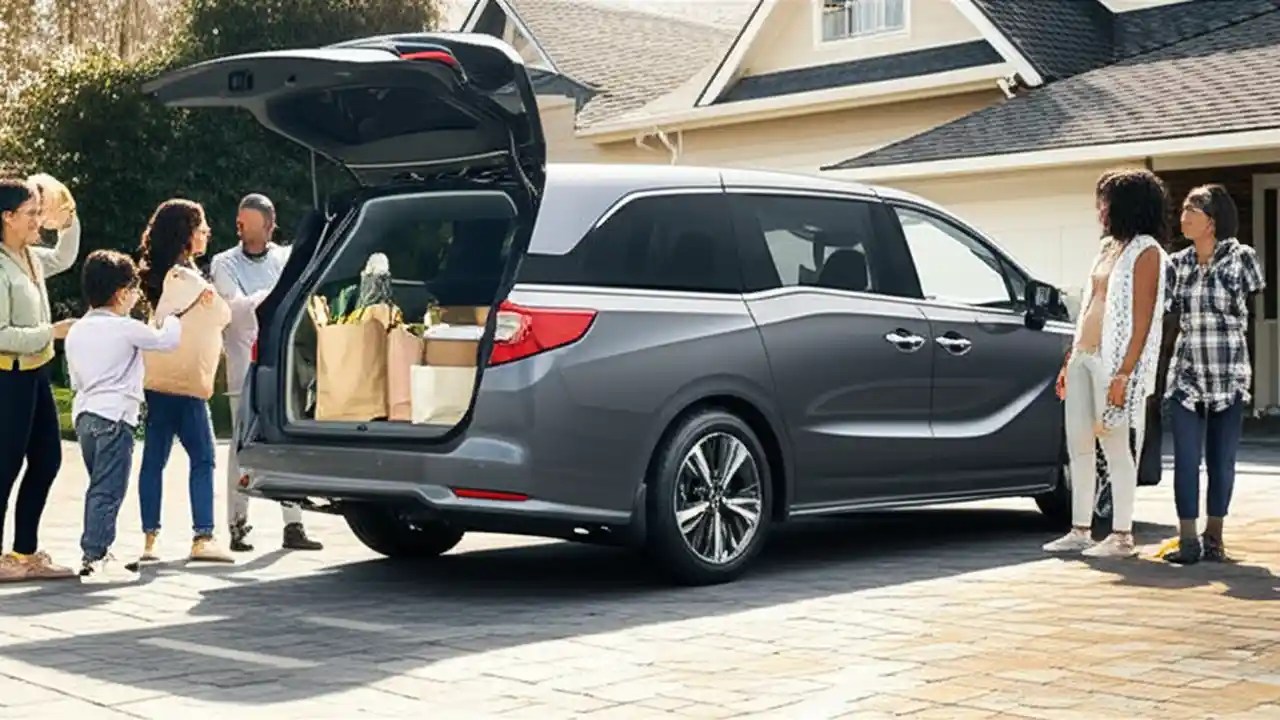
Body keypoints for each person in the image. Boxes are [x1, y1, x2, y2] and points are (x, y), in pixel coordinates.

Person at [1044, 168, 1168, 558]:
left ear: (1126, 204)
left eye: (1105, 200)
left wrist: (1124, 374)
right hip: (1083, 356)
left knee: (1116, 446)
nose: (1099, 208)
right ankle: (1080, 529)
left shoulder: (1147, 252)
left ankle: (1121, 536)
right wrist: (1070, 360)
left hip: (1113, 364)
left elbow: (1144, 320)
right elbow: (1088, 308)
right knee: (1078, 445)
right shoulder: (1106, 248)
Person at [210, 193, 322, 552]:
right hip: (244, 362)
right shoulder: (224, 263)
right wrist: (275, 296)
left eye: (249, 224)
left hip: (285, 360)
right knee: (242, 443)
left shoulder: (283, 257)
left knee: (288, 440)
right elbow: (236, 308)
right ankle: (237, 524)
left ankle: (294, 524)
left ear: (269, 226)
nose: (240, 229)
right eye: (239, 223)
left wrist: (270, 298)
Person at [1159, 185, 1263, 564]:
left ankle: (1214, 537)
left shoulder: (1242, 259)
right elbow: (1168, 315)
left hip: (1228, 372)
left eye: (1192, 209)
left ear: (1213, 220)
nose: (1183, 215)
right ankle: (1187, 541)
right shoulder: (1177, 263)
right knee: (1186, 457)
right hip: (1186, 372)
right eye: (1183, 208)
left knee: (1221, 459)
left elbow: (1247, 310)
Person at [65, 250, 182, 583]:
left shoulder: (78, 330)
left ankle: (98, 550)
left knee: (98, 486)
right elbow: (167, 341)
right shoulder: (126, 328)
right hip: (116, 418)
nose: (135, 296)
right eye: (133, 289)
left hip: (85, 417)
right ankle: (95, 555)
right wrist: (172, 315)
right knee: (108, 490)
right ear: (120, 293)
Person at [136, 199, 234, 563]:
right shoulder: (186, 278)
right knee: (204, 458)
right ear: (185, 234)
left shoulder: (164, 275)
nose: (207, 231)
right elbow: (223, 315)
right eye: (201, 225)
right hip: (188, 383)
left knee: (153, 459)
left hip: (159, 379)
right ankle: (203, 536)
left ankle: (150, 538)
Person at [0, 177, 80, 582]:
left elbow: (65, 256)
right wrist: (52, 332)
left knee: (47, 460)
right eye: (31, 214)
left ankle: (24, 553)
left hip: (35, 374)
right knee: (4, 466)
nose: (38, 221)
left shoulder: (31, 256)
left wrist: (69, 217)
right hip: (6, 379)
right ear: (7, 217)